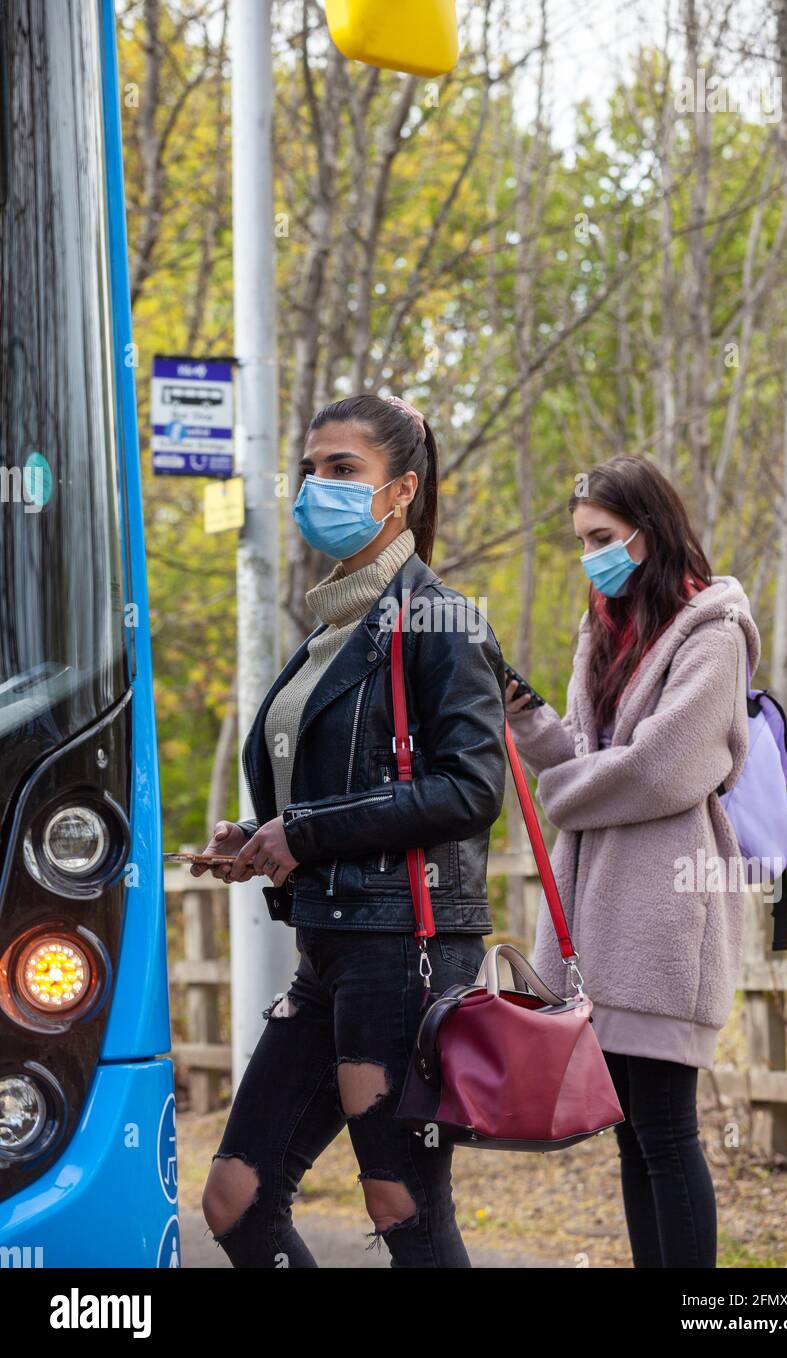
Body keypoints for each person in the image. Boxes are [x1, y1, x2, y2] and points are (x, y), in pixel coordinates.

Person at [196, 393, 506, 1268]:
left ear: (400, 490)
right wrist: (260, 836)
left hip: (405, 949)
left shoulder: (442, 619)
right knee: (234, 1201)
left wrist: (305, 831)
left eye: (343, 471)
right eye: (310, 469)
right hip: (327, 947)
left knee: (401, 1201)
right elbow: (338, 794)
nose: (316, 488)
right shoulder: (331, 627)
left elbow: (470, 789)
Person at [505, 453, 760, 1269]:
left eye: (604, 538)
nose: (591, 557)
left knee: (666, 1130)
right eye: (581, 541)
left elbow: (661, 768)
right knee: (630, 1138)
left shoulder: (715, 634)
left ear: (649, 534)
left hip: (662, 920)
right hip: (597, 919)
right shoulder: (603, 632)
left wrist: (565, 785)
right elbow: (585, 757)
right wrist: (528, 718)